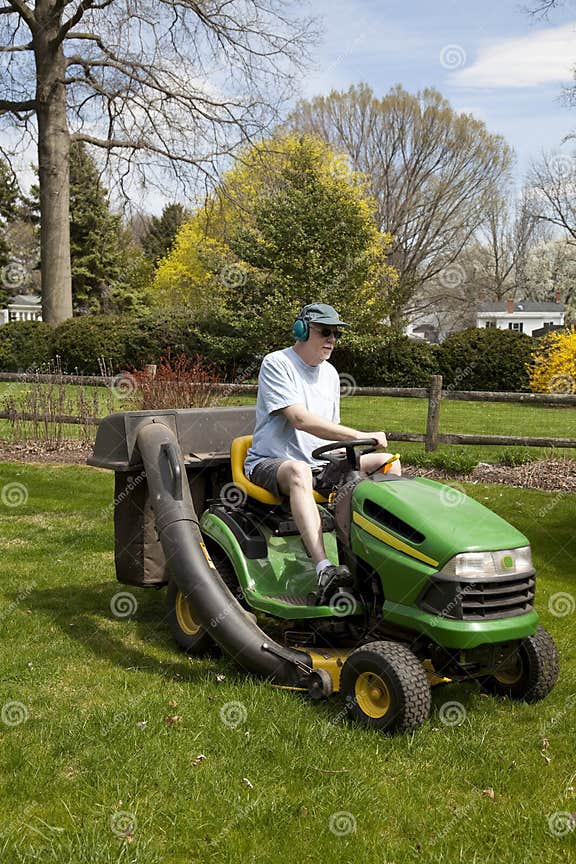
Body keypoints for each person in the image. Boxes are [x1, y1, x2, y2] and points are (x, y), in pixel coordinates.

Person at [244, 302, 401, 603]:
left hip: (320, 463)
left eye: (336, 334)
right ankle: (324, 568)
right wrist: (359, 435)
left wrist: (353, 451)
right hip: (271, 463)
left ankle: (376, 557)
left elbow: (332, 428)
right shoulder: (277, 363)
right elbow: (300, 419)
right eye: (325, 332)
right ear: (302, 330)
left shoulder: (330, 374)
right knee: (299, 470)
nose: (331, 339)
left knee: (387, 463)